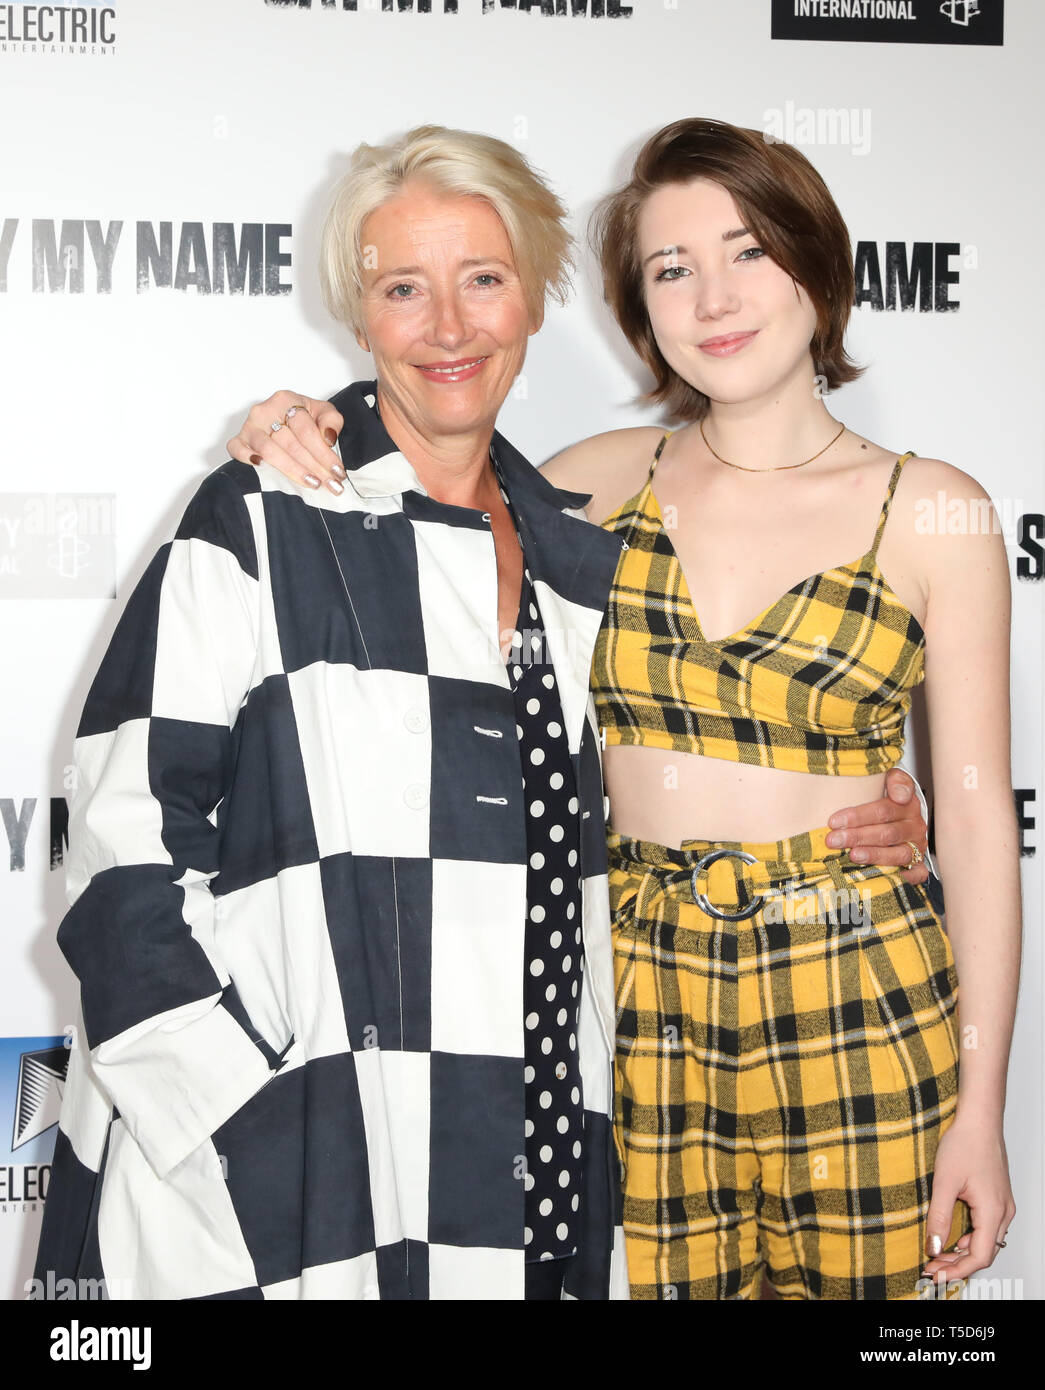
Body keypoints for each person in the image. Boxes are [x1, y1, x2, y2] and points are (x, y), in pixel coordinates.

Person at [222, 124, 972, 1302]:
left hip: (855, 981)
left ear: (817, 271)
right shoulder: (593, 478)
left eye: (747, 253)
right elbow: (418, 463)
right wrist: (297, 421)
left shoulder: (931, 508)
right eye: (671, 270)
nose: (713, 298)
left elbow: (976, 830)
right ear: (638, 310)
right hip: (642, 984)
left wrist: (982, 1111)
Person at [33, 127, 636, 1301]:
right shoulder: (260, 517)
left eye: (482, 279)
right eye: (402, 288)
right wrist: (226, 1102)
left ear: (534, 296)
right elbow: (120, 846)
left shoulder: (583, 562)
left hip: (536, 1167)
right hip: (296, 1169)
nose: (448, 326)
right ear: (358, 318)